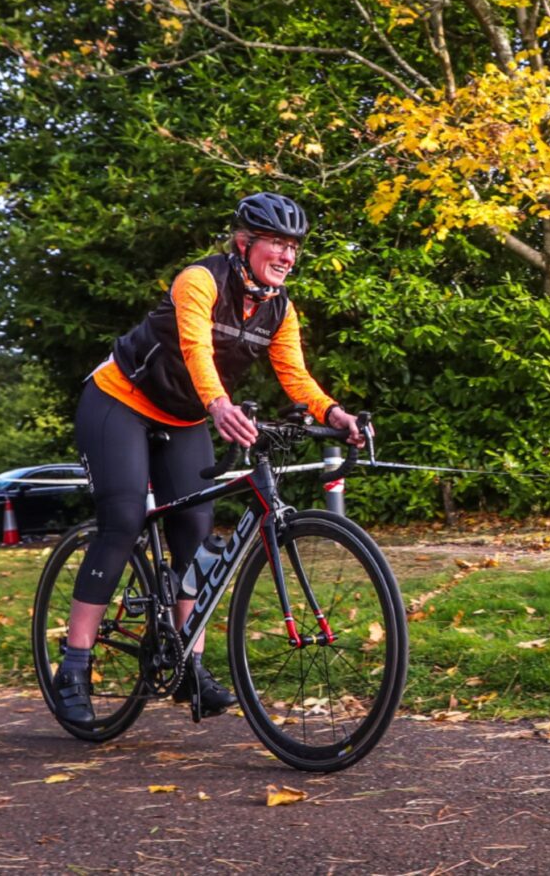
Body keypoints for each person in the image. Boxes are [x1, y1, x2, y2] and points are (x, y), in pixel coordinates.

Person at [53, 192, 365, 724]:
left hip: (182, 417)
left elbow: (295, 376)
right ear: (244, 243)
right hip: (119, 401)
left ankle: (189, 666)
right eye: (277, 243)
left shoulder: (280, 309)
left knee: (196, 537)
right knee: (123, 519)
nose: (287, 256)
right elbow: (196, 349)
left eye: (294, 247)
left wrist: (333, 412)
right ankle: (74, 665)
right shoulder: (199, 280)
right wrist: (219, 405)